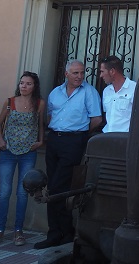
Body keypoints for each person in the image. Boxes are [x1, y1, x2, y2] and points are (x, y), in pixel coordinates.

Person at [35, 60, 102, 249]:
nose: (79, 76)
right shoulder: (55, 93)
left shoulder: (89, 92)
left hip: (74, 141)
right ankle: (57, 232)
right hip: (54, 140)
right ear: (66, 74)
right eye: (75, 73)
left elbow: (96, 119)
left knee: (60, 187)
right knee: (52, 185)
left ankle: (62, 233)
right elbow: (50, 116)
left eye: (82, 73)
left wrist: (79, 133)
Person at [0, 71, 44, 247]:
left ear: (34, 86)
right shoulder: (9, 102)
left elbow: (41, 124)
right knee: (4, 192)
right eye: (22, 83)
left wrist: (40, 141)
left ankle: (18, 231)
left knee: (22, 192)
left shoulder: (39, 104)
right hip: (8, 152)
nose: (24, 86)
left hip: (28, 152)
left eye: (28, 83)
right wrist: (0, 141)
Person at [99, 56, 137, 133]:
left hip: (125, 138)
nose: (101, 75)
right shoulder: (106, 91)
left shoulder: (135, 88)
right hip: (107, 136)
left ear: (112, 71)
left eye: (102, 71)